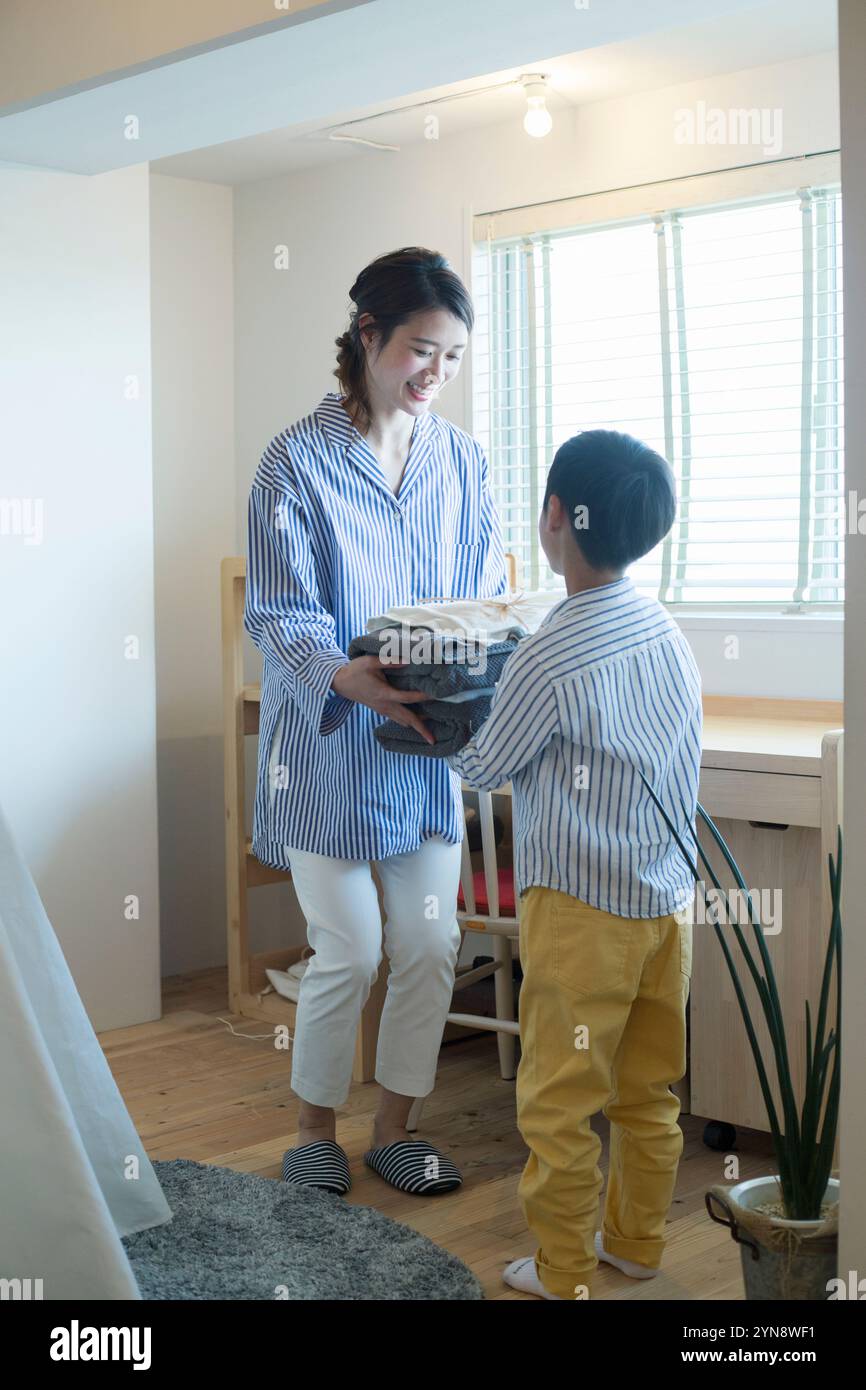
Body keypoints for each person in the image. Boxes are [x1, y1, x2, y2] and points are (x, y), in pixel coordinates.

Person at [243, 247, 507, 1197]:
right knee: (350, 946)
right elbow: (277, 613)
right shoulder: (293, 462)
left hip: (424, 748)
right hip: (324, 749)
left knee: (433, 942)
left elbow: (485, 590)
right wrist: (347, 676)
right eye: (420, 351)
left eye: (453, 358)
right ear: (367, 337)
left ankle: (397, 1128)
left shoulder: (463, 461)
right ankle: (314, 1128)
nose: (434, 375)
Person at [448, 429, 702, 1298]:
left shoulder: (552, 646)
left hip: (583, 915)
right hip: (666, 906)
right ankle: (635, 1245)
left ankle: (562, 1272)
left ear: (556, 516)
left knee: (557, 1102)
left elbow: (484, 764)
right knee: (648, 1093)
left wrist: (436, 715)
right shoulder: (663, 627)